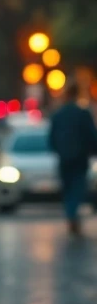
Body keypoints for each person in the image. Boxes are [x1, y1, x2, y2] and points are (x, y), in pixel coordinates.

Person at [48, 80, 97, 236]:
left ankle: (71, 214)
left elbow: (52, 138)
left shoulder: (58, 115)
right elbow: (91, 135)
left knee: (68, 188)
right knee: (77, 187)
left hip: (65, 158)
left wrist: (58, 150)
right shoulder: (82, 114)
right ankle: (72, 214)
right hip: (80, 158)